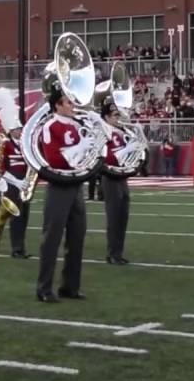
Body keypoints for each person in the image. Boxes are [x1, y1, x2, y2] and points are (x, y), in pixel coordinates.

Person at [36, 87, 95, 302]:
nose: (72, 105)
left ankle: (70, 286)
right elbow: (54, 159)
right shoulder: (50, 126)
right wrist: (80, 148)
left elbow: (88, 154)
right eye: (68, 102)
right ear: (57, 105)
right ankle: (44, 288)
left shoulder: (76, 125)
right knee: (52, 238)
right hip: (59, 185)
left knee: (77, 237)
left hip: (76, 185)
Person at [100, 97, 135, 265]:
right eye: (114, 115)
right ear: (106, 117)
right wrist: (127, 151)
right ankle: (112, 253)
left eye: (117, 115)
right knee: (114, 218)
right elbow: (107, 158)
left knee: (123, 217)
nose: (117, 118)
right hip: (111, 177)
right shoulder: (103, 133)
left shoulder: (120, 132)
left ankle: (118, 253)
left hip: (122, 177)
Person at [0, 97, 32, 259]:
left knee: (24, 216)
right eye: (17, 128)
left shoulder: (23, 144)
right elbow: (1, 168)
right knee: (16, 216)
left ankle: (21, 247)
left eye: (20, 128)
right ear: (11, 130)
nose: (20, 130)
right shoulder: (5, 144)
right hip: (12, 183)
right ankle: (16, 248)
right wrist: (16, 182)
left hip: (25, 181)